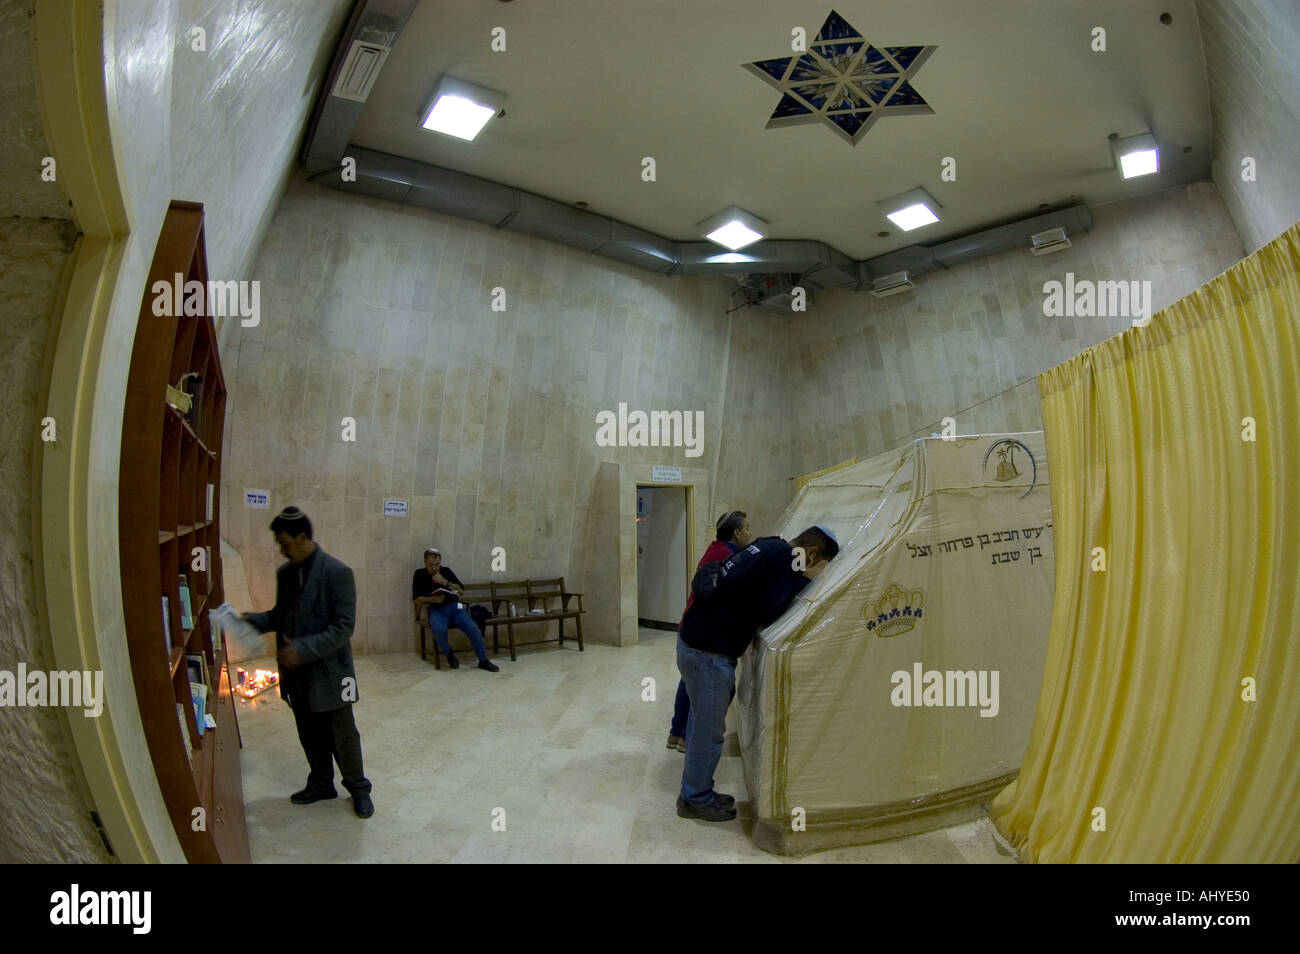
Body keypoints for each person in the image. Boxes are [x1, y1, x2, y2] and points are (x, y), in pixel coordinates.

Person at [675, 525, 839, 822]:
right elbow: (769, 611)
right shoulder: (785, 558)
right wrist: (802, 582)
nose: (816, 571)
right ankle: (694, 798)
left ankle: (697, 789)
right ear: (812, 553)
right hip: (708, 652)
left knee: (704, 722)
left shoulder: (769, 544)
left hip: (697, 643)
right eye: (820, 566)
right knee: (707, 730)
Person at [244, 506, 373, 818]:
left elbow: (344, 627)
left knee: (343, 733)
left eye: (285, 542)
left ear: (303, 537)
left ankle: (358, 789)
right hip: (297, 673)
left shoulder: (338, 573)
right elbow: (281, 616)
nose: (281, 549)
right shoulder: (286, 574)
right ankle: (321, 783)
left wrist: (302, 649)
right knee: (309, 731)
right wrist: (251, 620)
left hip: (334, 673)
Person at [666, 511, 753, 752]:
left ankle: (677, 733)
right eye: (747, 528)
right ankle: (686, 738)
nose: (750, 533)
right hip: (700, 635)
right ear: (736, 533)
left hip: (689, 627)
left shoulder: (715, 548)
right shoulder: (730, 556)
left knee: (687, 684)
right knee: (703, 695)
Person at [412, 547, 500, 672]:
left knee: (472, 627)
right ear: (425, 562)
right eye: (431, 565)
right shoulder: (419, 574)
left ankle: (483, 660)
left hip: (455, 606)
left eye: (437, 565)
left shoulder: (446, 571)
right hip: (436, 609)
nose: (434, 568)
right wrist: (432, 600)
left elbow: (461, 591)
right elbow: (416, 599)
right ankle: (449, 655)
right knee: (438, 630)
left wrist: (445, 582)